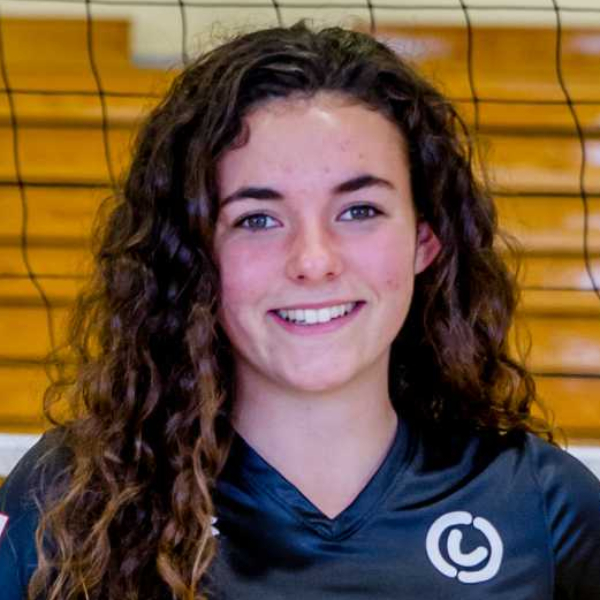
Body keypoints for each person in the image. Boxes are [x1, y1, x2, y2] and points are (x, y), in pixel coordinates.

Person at [1, 20, 599, 600]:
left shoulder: (542, 508)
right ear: (194, 254)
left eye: (359, 210)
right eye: (257, 219)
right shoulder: (73, 497)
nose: (314, 261)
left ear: (425, 238)